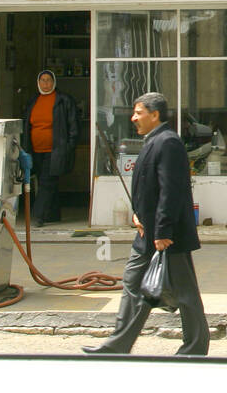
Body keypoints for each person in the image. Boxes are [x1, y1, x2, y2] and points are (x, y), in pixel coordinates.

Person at [83, 92, 209, 356]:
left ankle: (195, 346)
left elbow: (171, 191)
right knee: (133, 285)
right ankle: (117, 345)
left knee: (184, 293)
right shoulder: (153, 141)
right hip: (147, 232)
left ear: (155, 115)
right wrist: (138, 213)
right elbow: (149, 188)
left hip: (166, 236)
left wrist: (163, 231)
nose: (133, 118)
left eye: (139, 113)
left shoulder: (168, 142)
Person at [22, 70, 80, 227]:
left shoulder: (63, 100)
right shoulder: (34, 100)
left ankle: (37, 217)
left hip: (56, 150)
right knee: (46, 182)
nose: (45, 84)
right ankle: (53, 214)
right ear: (38, 82)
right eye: (42, 80)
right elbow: (27, 124)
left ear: (54, 83)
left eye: (48, 80)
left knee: (47, 182)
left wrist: (69, 147)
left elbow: (73, 125)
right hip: (36, 150)